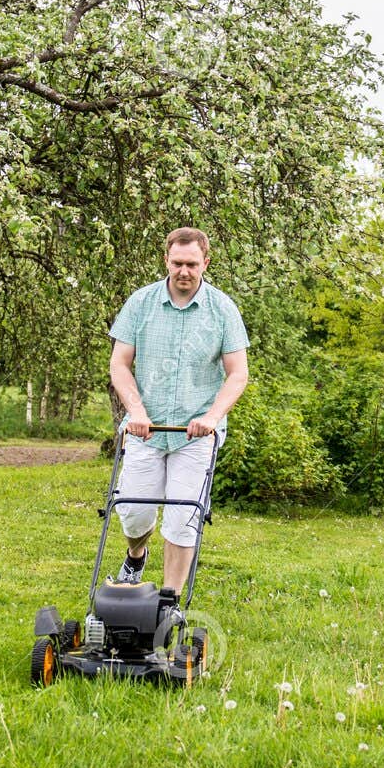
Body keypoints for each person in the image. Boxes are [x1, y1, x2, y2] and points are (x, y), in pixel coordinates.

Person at [108, 227, 249, 595]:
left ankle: (168, 601)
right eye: (177, 263)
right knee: (133, 512)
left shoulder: (223, 309)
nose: (183, 271)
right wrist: (135, 411)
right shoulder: (141, 303)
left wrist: (212, 418)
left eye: (191, 264)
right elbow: (120, 364)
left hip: (195, 434)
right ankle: (136, 557)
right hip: (146, 429)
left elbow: (238, 374)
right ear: (166, 260)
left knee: (183, 518)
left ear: (205, 262)